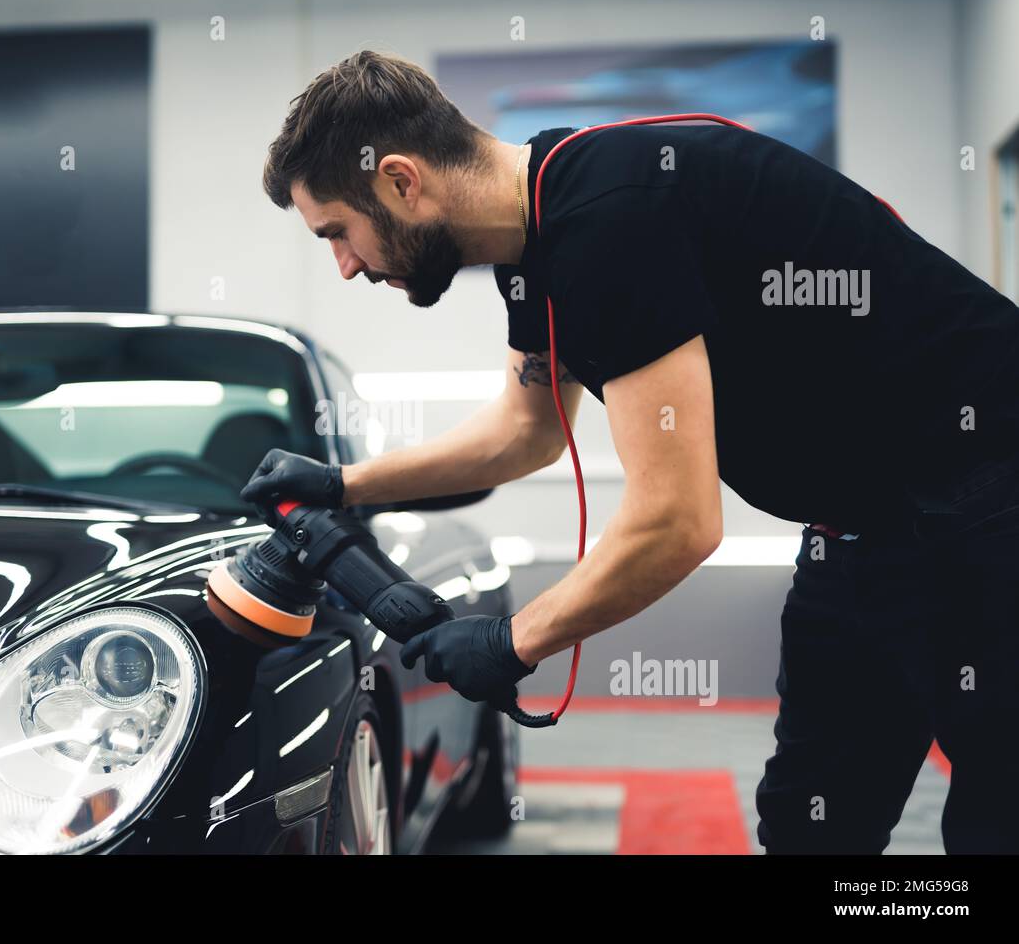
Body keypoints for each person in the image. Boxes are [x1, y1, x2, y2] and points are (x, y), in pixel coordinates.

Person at [242, 50, 1019, 853]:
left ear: (401, 181)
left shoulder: (609, 219)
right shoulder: (538, 233)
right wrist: (344, 482)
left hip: (993, 491)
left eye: (338, 231)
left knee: (996, 821)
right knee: (812, 820)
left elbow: (678, 522)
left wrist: (513, 641)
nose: (344, 266)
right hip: (864, 524)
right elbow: (524, 431)